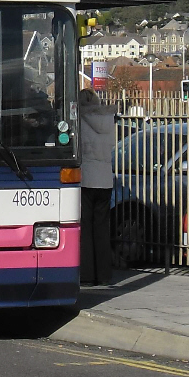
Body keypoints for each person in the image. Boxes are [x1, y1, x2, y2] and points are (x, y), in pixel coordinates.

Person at [79, 87, 116, 285]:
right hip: (105, 180)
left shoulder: (80, 120)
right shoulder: (108, 121)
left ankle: (87, 274)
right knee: (102, 228)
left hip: (87, 179)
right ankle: (104, 275)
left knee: (85, 227)